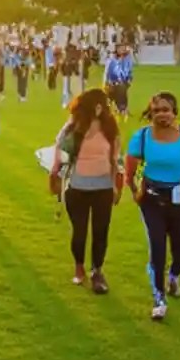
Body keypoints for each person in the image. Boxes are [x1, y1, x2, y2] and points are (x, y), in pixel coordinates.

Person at [125, 92, 180, 321]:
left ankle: (174, 276)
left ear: (175, 113)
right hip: (152, 200)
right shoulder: (141, 137)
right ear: (151, 113)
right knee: (157, 249)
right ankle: (159, 298)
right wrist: (135, 192)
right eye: (157, 110)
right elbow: (129, 170)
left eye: (166, 110)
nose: (162, 114)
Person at [50, 89, 122, 293]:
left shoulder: (110, 127)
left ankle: (97, 271)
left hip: (103, 188)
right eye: (98, 104)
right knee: (79, 232)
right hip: (77, 187)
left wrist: (115, 186)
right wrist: (54, 175)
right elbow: (60, 151)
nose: (102, 108)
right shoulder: (74, 126)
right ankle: (79, 267)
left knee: (101, 232)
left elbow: (116, 157)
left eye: (104, 104)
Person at [104, 44, 134, 120]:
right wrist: (106, 82)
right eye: (121, 49)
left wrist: (130, 79)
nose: (123, 50)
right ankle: (120, 109)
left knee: (122, 91)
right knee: (114, 93)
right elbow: (107, 72)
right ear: (116, 50)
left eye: (124, 48)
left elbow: (129, 71)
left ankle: (122, 108)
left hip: (123, 82)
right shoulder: (111, 59)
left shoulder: (127, 59)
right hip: (113, 82)